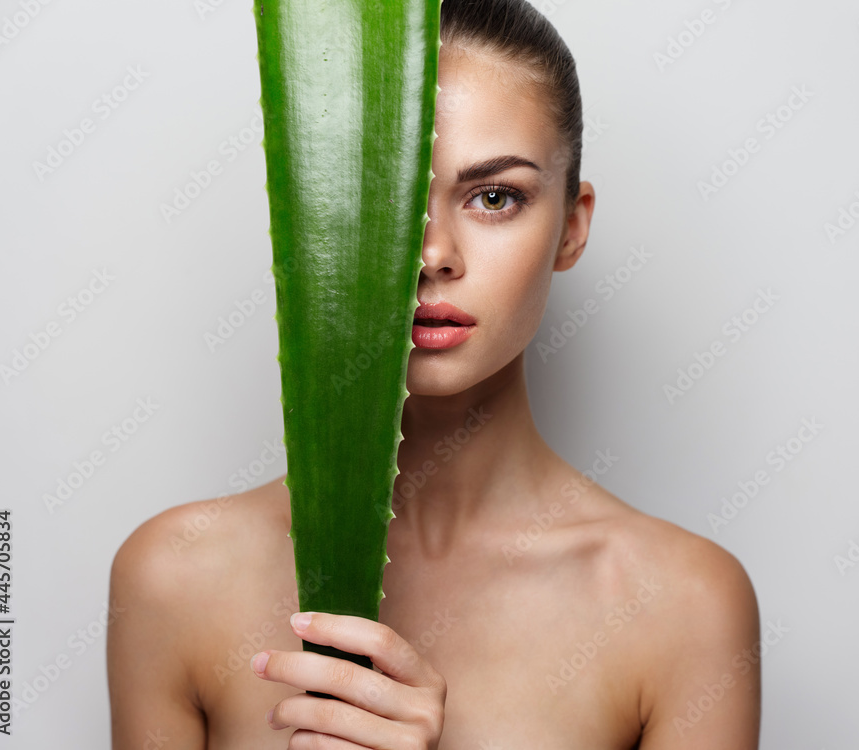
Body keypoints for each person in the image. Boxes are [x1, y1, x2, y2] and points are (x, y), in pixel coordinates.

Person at [107, 0, 761, 747]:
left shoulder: (683, 608)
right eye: (387, 200)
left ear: (571, 228)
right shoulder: (173, 579)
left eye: (493, 197)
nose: (431, 255)